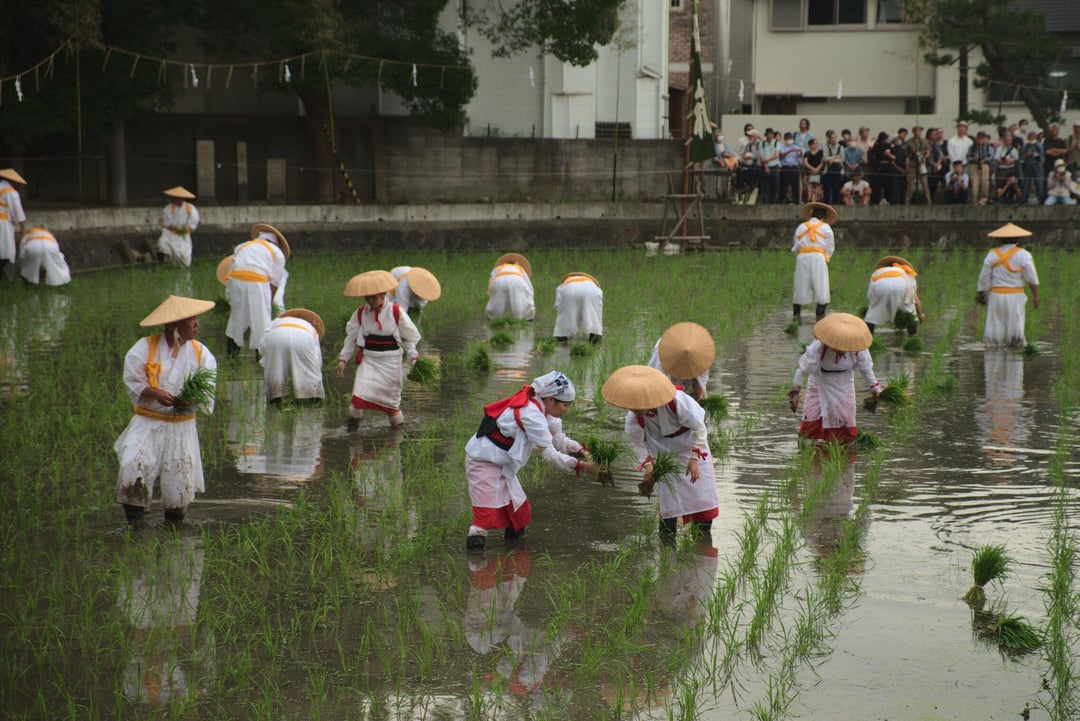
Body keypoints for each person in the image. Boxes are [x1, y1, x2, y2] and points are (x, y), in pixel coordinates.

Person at [464, 371, 599, 550]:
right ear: (551, 400)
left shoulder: (544, 409)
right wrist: (581, 466)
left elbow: (557, 438)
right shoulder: (531, 414)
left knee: (519, 514)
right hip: (483, 461)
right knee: (484, 520)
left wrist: (582, 452)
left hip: (503, 464)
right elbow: (550, 455)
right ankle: (478, 569)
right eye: (565, 405)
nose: (567, 410)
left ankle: (512, 563)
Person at [114, 295, 218, 525]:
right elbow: (132, 381)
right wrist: (152, 392)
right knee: (133, 469)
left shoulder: (202, 354)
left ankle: (175, 533)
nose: (196, 324)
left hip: (182, 427)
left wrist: (190, 400)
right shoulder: (143, 349)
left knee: (179, 485)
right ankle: (135, 528)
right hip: (148, 423)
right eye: (191, 320)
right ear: (174, 324)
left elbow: (207, 391)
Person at [602, 365, 720, 541]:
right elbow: (639, 443)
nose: (636, 409)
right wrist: (648, 466)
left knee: (701, 500)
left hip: (690, 446)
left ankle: (703, 547)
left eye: (641, 404)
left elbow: (699, 428)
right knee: (668, 504)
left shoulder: (678, 402)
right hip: (663, 453)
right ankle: (667, 552)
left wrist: (694, 458)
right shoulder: (633, 417)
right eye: (634, 405)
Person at [337, 269, 421, 430]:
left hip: (391, 363)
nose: (370, 300)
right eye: (367, 297)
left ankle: (397, 439)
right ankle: (352, 438)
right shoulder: (360, 313)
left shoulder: (396, 312)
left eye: (373, 296)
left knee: (392, 407)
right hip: (369, 361)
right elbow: (351, 339)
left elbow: (408, 338)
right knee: (356, 402)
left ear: (383, 294)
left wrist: (414, 357)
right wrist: (343, 359)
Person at [788, 313, 881, 444]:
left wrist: (876, 390)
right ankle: (808, 451)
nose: (842, 350)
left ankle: (842, 451)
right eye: (838, 346)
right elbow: (802, 369)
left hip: (844, 382)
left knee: (844, 418)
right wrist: (795, 393)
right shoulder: (818, 347)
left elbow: (866, 369)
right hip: (819, 380)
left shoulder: (858, 347)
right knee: (811, 416)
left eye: (845, 347)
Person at [224, 223, 289, 357]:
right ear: (275, 243)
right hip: (258, 284)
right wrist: (268, 304)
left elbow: (232, 271)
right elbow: (275, 282)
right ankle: (261, 358)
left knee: (236, 319)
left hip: (237, 283)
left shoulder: (241, 246)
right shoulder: (277, 253)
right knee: (262, 322)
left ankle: (231, 356)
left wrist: (230, 296)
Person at [975, 223, 1040, 349]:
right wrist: (1036, 296)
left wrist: (980, 293)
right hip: (1016, 296)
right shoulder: (1024, 255)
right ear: (1018, 239)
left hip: (996, 296)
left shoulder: (992, 254)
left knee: (995, 326)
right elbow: (1032, 278)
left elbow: (984, 276)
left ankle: (993, 356)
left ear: (1000, 239)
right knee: (1016, 326)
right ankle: (1015, 354)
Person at [261, 308, 326, 405]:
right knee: (311, 375)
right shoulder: (310, 328)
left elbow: (263, 343)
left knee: (275, 372)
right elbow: (316, 358)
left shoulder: (276, 322)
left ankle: (275, 400)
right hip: (303, 337)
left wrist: (267, 361)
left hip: (275, 336)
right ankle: (314, 400)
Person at [647, 321, 715, 401]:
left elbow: (699, 388)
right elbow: (662, 385)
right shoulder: (664, 350)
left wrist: (698, 401)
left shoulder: (700, 351)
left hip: (686, 388)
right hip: (665, 384)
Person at [791, 201, 836, 320]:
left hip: (803, 257)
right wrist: (825, 258)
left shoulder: (801, 227)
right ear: (824, 217)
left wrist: (800, 257)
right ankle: (820, 316)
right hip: (818, 257)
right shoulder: (826, 228)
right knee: (821, 284)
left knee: (800, 284)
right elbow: (830, 247)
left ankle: (796, 316)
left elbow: (796, 246)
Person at [863, 255, 925, 334]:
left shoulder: (877, 272)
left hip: (880, 286)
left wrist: (875, 305)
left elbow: (870, 294)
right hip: (901, 284)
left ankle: (868, 339)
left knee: (872, 313)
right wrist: (920, 314)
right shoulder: (907, 272)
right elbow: (914, 299)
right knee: (909, 309)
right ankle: (912, 337)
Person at [552, 272, 603, 343]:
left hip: (569, 290)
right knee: (594, 315)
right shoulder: (592, 284)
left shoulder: (563, 285)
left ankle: (562, 339)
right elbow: (599, 304)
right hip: (591, 291)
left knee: (564, 319)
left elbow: (558, 305)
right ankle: (595, 339)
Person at [156, 186, 200, 267]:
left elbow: (194, 221)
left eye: (179, 199)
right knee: (162, 245)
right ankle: (163, 264)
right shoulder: (168, 208)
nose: (177, 200)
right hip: (171, 233)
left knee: (184, 255)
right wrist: (173, 228)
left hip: (184, 235)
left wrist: (186, 229)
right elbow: (165, 222)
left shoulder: (190, 208)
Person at [486, 253, 535, 321]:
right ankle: (520, 319)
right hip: (517, 280)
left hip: (499, 280)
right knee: (518, 302)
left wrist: (491, 293)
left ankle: (494, 319)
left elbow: (490, 286)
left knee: (497, 302)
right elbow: (529, 289)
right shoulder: (520, 269)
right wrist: (531, 312)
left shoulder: (498, 268)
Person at [0, 168, 28, 278]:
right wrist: (23, 229)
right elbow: (18, 212)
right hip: (3, 225)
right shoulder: (10, 192)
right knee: (5, 252)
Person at [904, 125, 932, 205]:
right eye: (917, 130)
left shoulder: (924, 141)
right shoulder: (909, 141)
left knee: (925, 183)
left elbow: (928, 150)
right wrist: (911, 153)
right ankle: (907, 201)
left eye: (920, 130)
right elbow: (906, 153)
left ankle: (928, 201)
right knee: (910, 184)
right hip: (913, 163)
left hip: (921, 163)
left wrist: (925, 156)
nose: (918, 132)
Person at [966, 131, 994, 205]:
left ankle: (983, 199)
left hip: (985, 165)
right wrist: (973, 159)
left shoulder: (988, 147)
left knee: (985, 182)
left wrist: (985, 159)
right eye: (979, 138)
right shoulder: (972, 147)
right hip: (974, 165)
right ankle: (974, 199)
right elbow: (968, 157)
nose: (981, 140)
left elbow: (991, 157)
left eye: (983, 138)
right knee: (975, 183)